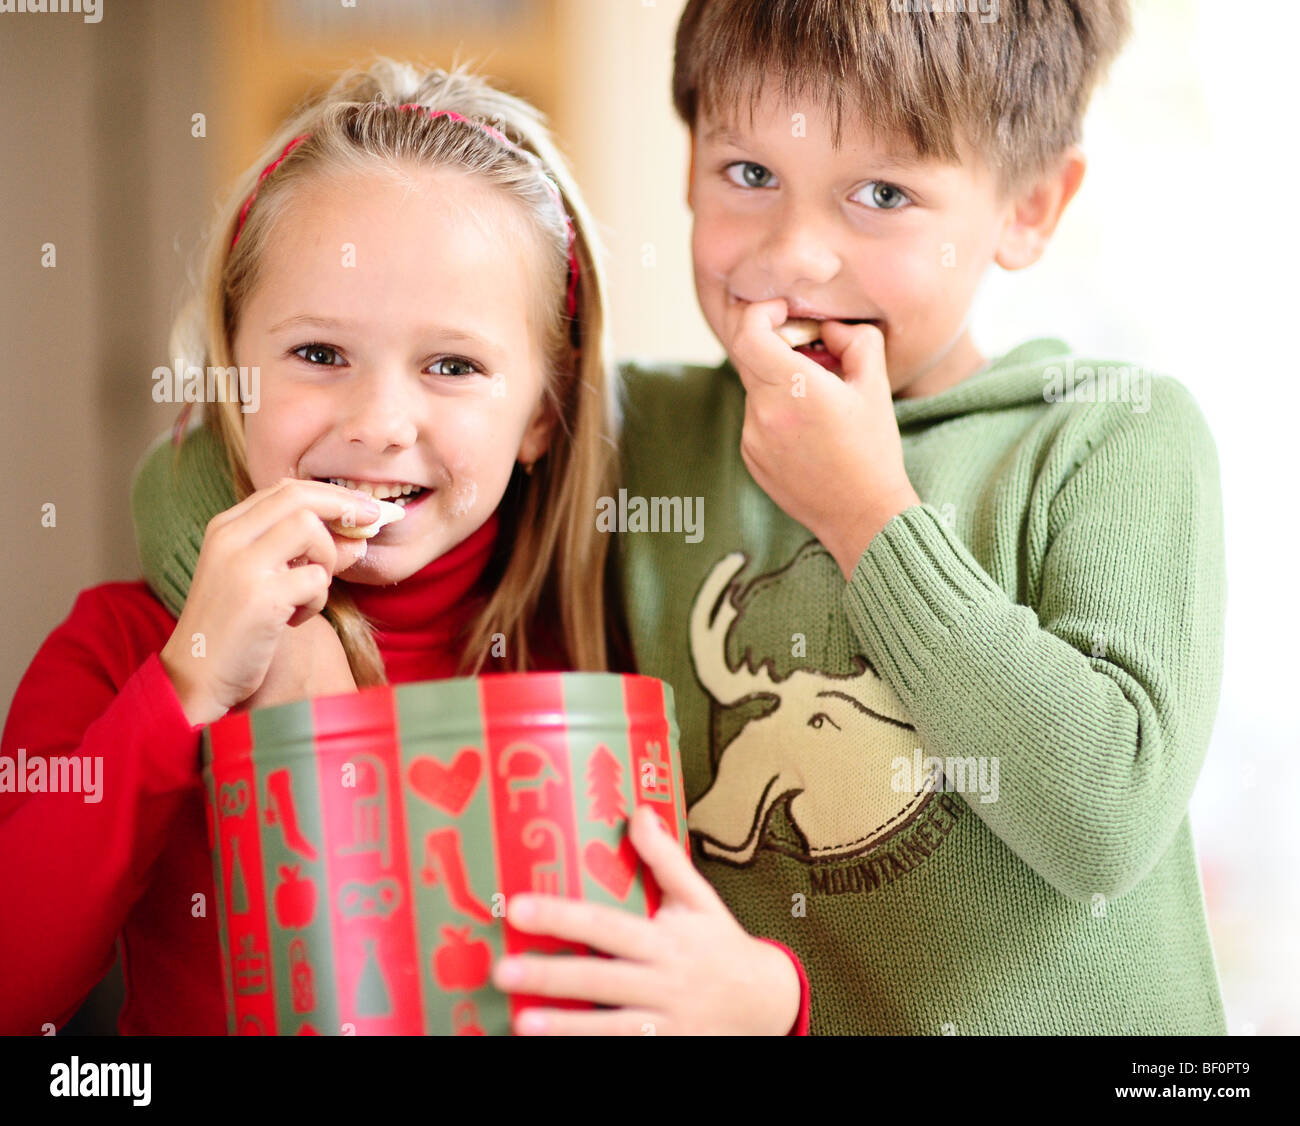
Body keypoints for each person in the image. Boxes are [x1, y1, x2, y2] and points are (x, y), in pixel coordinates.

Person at [129, 0, 1228, 1036]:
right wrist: (303, 634)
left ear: (1030, 205)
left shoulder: (1109, 440)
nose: (793, 254)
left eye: (882, 195)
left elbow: (1101, 818)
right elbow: (184, 474)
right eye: (749, 173)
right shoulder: (636, 436)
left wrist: (871, 522)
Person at [0, 58, 811, 1036]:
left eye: (453, 365)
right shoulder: (125, 646)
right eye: (319, 354)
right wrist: (184, 690)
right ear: (231, 365)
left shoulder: (617, 640)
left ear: (543, 415)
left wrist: (775, 1006)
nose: (381, 421)